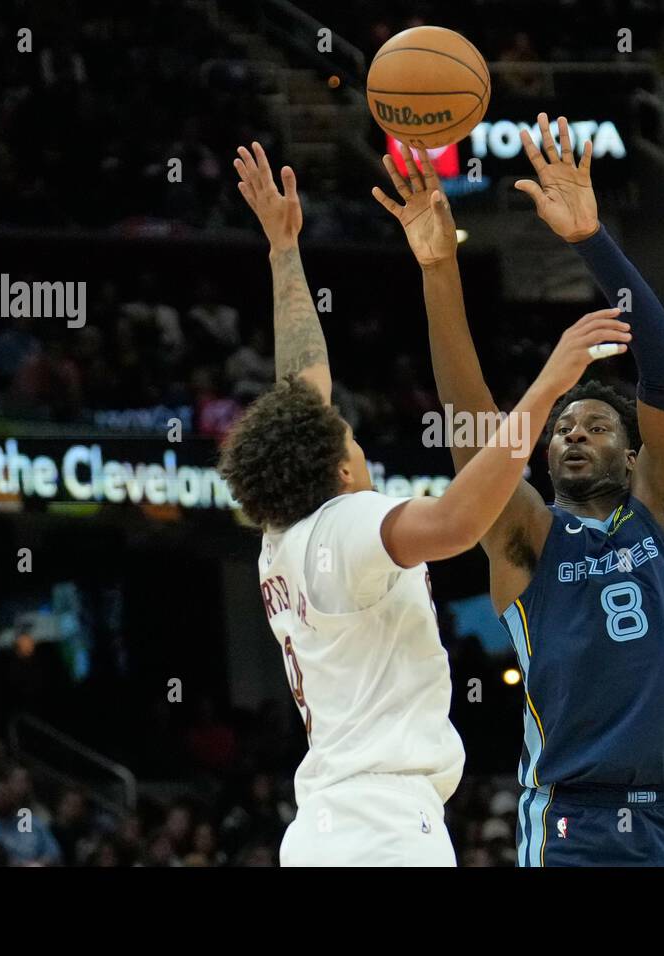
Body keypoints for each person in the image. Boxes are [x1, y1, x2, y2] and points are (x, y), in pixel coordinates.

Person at [224, 142, 630, 867]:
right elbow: (455, 521)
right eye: (346, 438)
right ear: (332, 469)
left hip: (327, 826)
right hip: (382, 831)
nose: (357, 444)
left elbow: (300, 384)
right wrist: (547, 386)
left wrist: (284, 249)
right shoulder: (344, 529)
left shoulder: (282, 531)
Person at [374, 116, 664, 866]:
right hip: (576, 820)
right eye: (562, 427)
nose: (571, 433)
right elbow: (471, 423)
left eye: (596, 425)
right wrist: (440, 270)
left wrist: (591, 240)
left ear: (633, 457)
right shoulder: (528, 541)